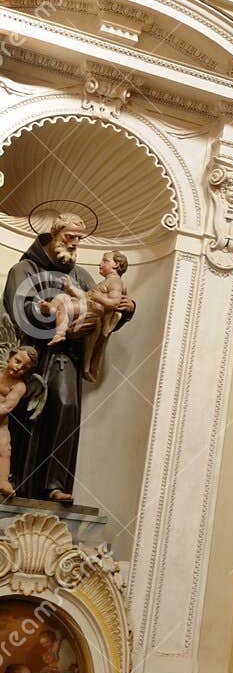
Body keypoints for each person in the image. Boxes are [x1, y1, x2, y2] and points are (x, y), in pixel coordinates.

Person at [4, 214, 136, 504]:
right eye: (69, 237)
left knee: (66, 406)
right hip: (32, 356)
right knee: (20, 413)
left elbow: (98, 313)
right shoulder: (24, 269)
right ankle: (10, 479)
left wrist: (125, 310)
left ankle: (53, 484)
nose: (75, 243)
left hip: (66, 357)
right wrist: (58, 321)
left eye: (79, 238)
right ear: (54, 235)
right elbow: (19, 310)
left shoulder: (81, 276)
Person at [0, 346, 38, 501]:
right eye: (17, 361)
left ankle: (3, 481)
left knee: (4, 450)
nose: (18, 368)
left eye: (24, 368)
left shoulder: (19, 386)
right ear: (11, 356)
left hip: (1, 425)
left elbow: (8, 406)